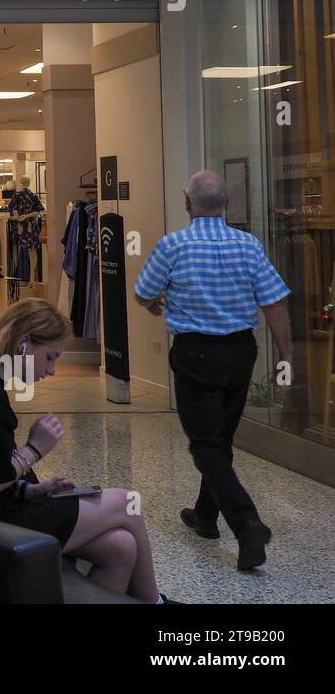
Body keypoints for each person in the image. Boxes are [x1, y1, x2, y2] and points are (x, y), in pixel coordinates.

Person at [0, 298, 170, 603]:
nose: (51, 370)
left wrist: (29, 490)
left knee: (121, 547)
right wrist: (35, 449)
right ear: (24, 343)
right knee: (128, 502)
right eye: (50, 357)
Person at [134, 169, 293, 572]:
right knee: (219, 439)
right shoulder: (248, 245)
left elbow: (142, 291)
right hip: (242, 352)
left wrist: (155, 304)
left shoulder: (174, 245)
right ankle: (206, 517)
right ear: (227, 204)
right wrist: (286, 355)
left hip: (197, 355)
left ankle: (246, 524)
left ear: (188, 203)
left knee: (205, 445)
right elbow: (274, 303)